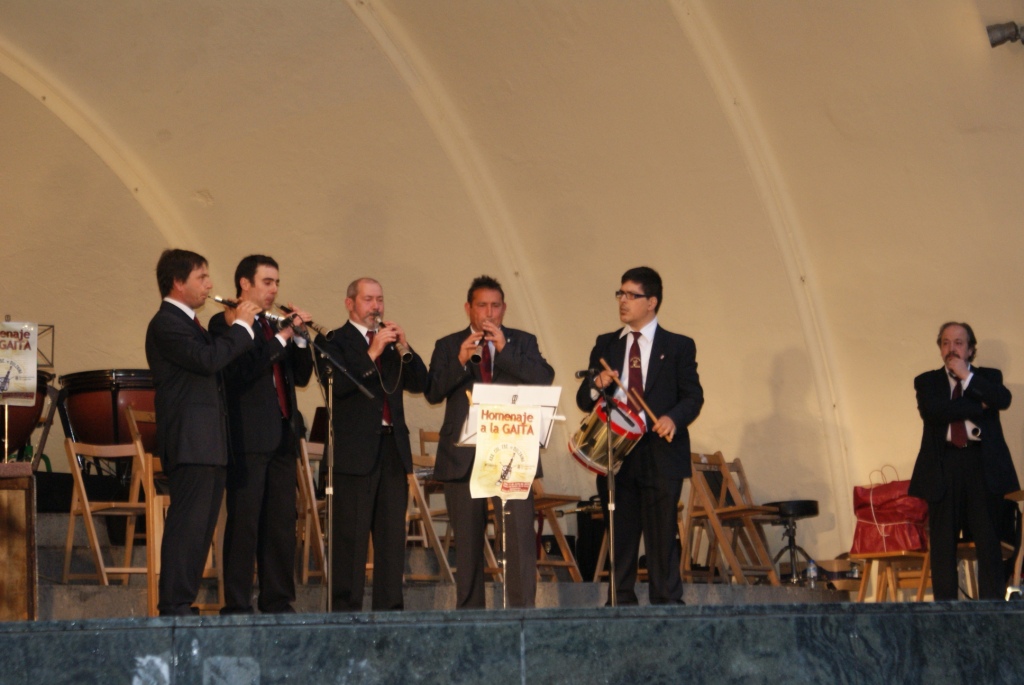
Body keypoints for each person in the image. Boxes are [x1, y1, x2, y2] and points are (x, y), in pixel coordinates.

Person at [576, 266, 703, 605]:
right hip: (616, 454)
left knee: (662, 534)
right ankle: (620, 601)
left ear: (652, 302)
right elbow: (582, 399)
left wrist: (672, 419)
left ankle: (667, 604)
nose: (623, 301)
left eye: (631, 295)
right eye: (620, 293)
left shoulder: (678, 346)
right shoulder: (606, 345)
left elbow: (693, 397)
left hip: (661, 453)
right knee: (620, 533)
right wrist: (596, 385)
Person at [426, 275, 555, 609]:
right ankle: (470, 616)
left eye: (495, 305)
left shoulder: (521, 342)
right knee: (467, 544)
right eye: (481, 305)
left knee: (518, 540)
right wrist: (458, 361)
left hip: (511, 452)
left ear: (504, 308)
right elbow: (432, 390)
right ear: (468, 308)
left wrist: (505, 351)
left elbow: (544, 377)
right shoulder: (448, 344)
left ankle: (521, 612)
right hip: (463, 456)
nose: (489, 313)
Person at [145, 249, 259, 616]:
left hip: (208, 443)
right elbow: (207, 361)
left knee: (201, 529)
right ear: (178, 283)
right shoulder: (166, 323)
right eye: (202, 277)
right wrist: (240, 326)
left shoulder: (190, 322)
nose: (210, 285)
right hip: (191, 442)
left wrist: (235, 327)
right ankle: (174, 605)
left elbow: (216, 366)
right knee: (188, 527)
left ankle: (182, 602)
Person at [209, 255, 314, 614]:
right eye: (267, 282)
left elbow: (299, 377)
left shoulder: (273, 325)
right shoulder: (226, 323)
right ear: (245, 284)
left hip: (283, 435)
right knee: (245, 524)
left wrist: (298, 339)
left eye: (277, 283)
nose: (274, 290)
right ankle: (237, 605)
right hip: (248, 437)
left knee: (282, 525)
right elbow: (243, 371)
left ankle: (278, 600)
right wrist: (283, 337)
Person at [315, 278, 428, 611]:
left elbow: (422, 384)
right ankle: (345, 617)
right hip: (353, 456)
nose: (376, 307)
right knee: (349, 540)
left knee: (392, 540)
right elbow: (336, 386)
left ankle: (389, 614)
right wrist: (373, 351)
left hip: (393, 450)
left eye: (380, 299)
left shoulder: (393, 345)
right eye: (368, 300)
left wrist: (405, 347)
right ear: (350, 303)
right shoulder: (333, 341)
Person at [909, 322, 1019, 600]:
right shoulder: (927, 381)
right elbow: (933, 413)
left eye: (959, 342)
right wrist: (977, 406)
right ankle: (947, 613)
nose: (952, 348)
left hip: (981, 463)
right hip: (943, 465)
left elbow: (1001, 399)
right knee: (943, 545)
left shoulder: (989, 377)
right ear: (940, 348)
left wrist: (966, 377)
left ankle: (990, 610)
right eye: (946, 342)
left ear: (970, 349)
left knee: (988, 542)